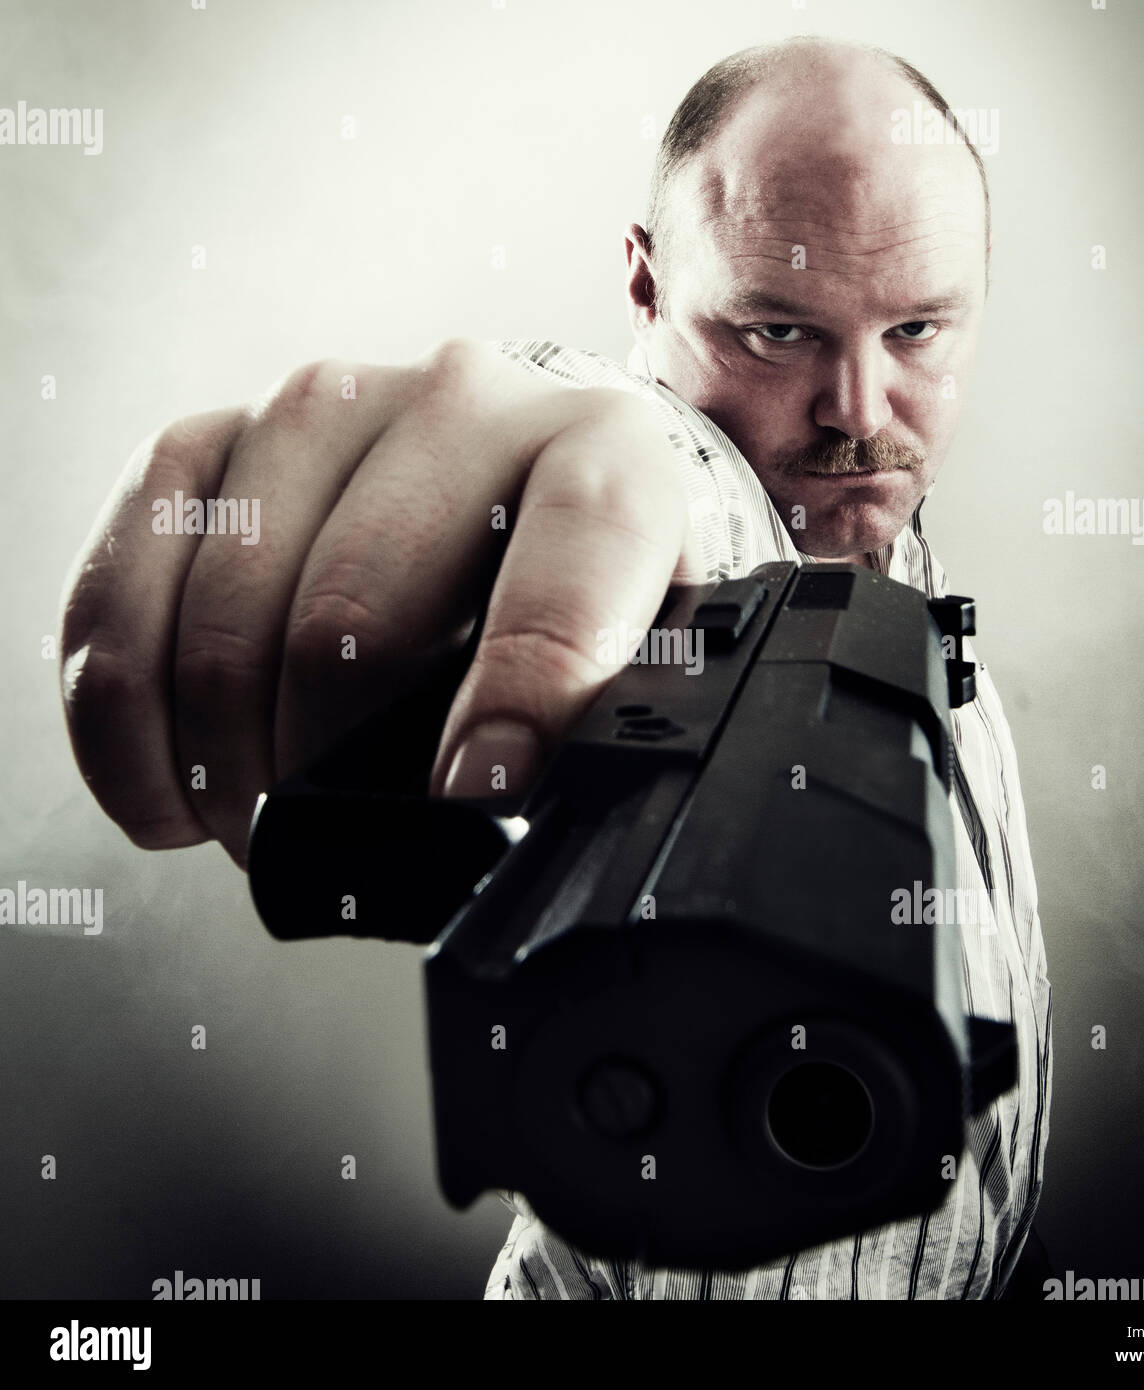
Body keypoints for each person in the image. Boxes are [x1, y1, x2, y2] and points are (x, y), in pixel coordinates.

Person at [58, 35, 1051, 1299]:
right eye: (775, 330)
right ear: (643, 287)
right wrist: (542, 485)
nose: (859, 405)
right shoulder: (697, 557)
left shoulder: (906, 564)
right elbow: (634, 463)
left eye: (916, 327)